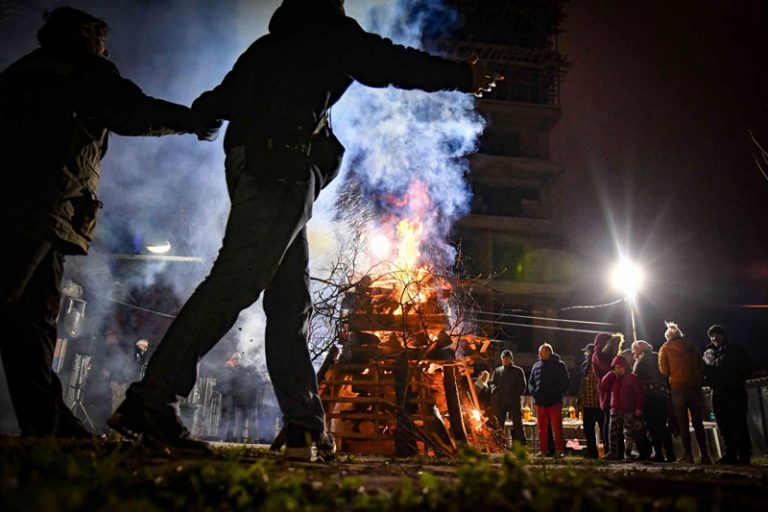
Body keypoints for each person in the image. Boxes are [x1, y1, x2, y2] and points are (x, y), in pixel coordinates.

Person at [109, 0, 499, 460]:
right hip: (281, 171)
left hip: (255, 168)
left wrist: (204, 118)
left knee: (290, 303)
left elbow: (216, 104)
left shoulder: (266, 47)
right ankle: (152, 400)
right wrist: (463, 78)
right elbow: (389, 62)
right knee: (236, 280)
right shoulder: (329, 34)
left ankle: (304, 428)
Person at [0, 7, 216, 438]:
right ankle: (48, 425)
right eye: (102, 41)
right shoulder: (82, 70)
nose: (107, 50)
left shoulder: (22, 72)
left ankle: (49, 426)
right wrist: (191, 121)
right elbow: (131, 111)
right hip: (38, 205)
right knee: (19, 311)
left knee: (30, 323)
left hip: (28, 206)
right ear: (86, 38)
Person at [658, 321, 711, 464]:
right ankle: (705, 456)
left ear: (668, 336)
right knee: (698, 422)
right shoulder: (692, 346)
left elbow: (664, 370)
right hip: (694, 387)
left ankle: (688, 455)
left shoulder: (665, 348)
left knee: (683, 423)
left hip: (677, 388)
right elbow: (701, 366)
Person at [703, 325, 752, 465]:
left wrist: (735, 379)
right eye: (711, 336)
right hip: (718, 392)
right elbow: (705, 372)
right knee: (723, 424)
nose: (714, 338)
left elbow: (747, 367)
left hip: (735, 392)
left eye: (717, 334)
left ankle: (744, 455)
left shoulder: (735, 350)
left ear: (723, 336)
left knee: (739, 423)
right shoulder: (710, 354)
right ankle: (730, 453)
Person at [631, 340, 675, 462]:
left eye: (634, 349)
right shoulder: (657, 356)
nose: (633, 352)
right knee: (661, 425)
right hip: (663, 395)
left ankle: (660, 454)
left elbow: (636, 377)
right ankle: (669, 454)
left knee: (654, 426)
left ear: (640, 348)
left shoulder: (642, 360)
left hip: (650, 396)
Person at [528, 343, 570, 457]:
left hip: (554, 401)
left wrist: (557, 393)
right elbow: (531, 382)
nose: (542, 354)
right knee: (542, 428)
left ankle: (560, 451)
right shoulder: (536, 366)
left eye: (544, 351)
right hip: (540, 401)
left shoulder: (559, 365)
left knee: (557, 428)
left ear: (550, 352)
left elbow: (565, 382)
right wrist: (534, 393)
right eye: (540, 352)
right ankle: (543, 450)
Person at [600, 355, 644, 461]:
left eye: (620, 367)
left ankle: (627, 453)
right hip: (615, 408)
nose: (618, 370)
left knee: (629, 432)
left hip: (629, 409)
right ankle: (612, 452)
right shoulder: (613, 378)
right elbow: (603, 385)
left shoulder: (632, 378)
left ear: (625, 367)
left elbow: (639, 394)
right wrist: (610, 374)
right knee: (612, 431)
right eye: (616, 368)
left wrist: (639, 408)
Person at [592, 333, 623, 451]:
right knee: (608, 418)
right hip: (606, 390)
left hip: (615, 390)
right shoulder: (598, 354)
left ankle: (619, 449)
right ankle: (609, 448)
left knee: (616, 421)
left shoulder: (608, 354)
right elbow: (607, 367)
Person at [489, 350, 527, 446]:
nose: (505, 360)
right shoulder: (498, 371)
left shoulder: (518, 371)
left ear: (511, 359)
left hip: (514, 402)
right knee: (499, 425)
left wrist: (513, 394)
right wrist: (495, 389)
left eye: (507, 358)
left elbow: (522, 386)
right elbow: (492, 383)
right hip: (501, 402)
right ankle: (498, 445)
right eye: (503, 358)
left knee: (517, 425)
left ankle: (521, 447)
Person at [577, 343, 603, 459]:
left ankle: (608, 452)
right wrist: (580, 400)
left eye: (587, 352)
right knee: (588, 430)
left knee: (603, 429)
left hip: (598, 403)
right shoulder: (585, 365)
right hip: (587, 403)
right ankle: (592, 453)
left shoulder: (599, 364)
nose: (585, 354)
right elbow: (582, 384)